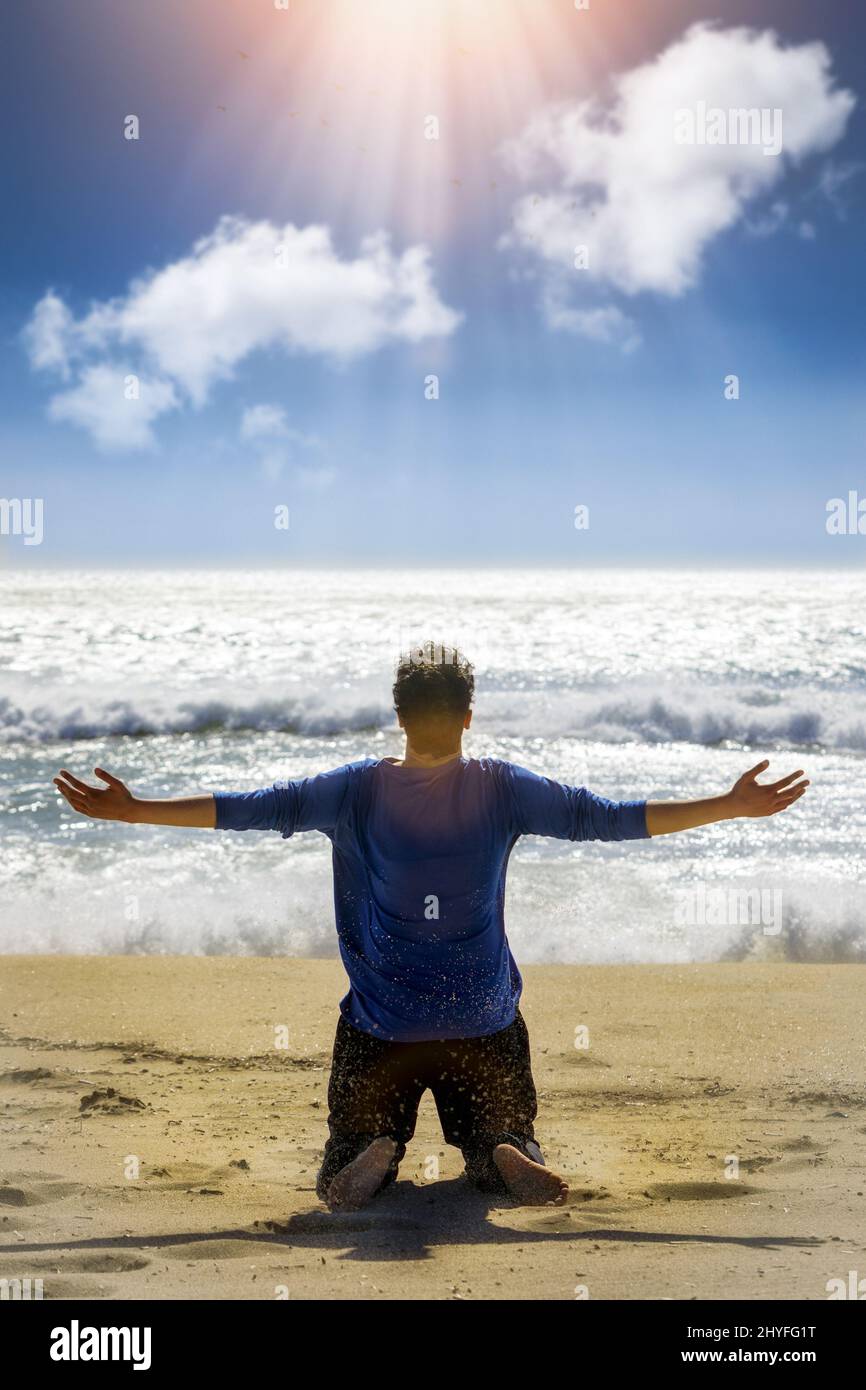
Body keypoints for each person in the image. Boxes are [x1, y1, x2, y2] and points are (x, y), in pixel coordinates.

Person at [53, 643, 809, 1210]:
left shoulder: (354, 790)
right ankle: (502, 1149)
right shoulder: (502, 788)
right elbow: (605, 820)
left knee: (340, 1162)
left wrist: (137, 809)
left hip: (385, 1031)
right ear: (468, 717)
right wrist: (726, 803)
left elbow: (251, 807)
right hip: (482, 1025)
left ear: (401, 716)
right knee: (498, 1136)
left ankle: (368, 1150)